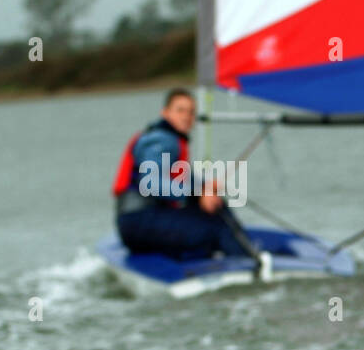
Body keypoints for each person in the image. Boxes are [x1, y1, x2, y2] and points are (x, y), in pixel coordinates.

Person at [111, 87, 268, 273]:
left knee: (215, 209)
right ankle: (249, 266)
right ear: (165, 113)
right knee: (216, 227)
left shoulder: (167, 139)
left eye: (191, 112)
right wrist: (200, 192)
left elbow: (182, 180)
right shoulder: (162, 141)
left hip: (135, 225)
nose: (186, 116)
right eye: (180, 110)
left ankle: (238, 256)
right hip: (140, 222)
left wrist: (206, 187)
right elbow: (151, 183)